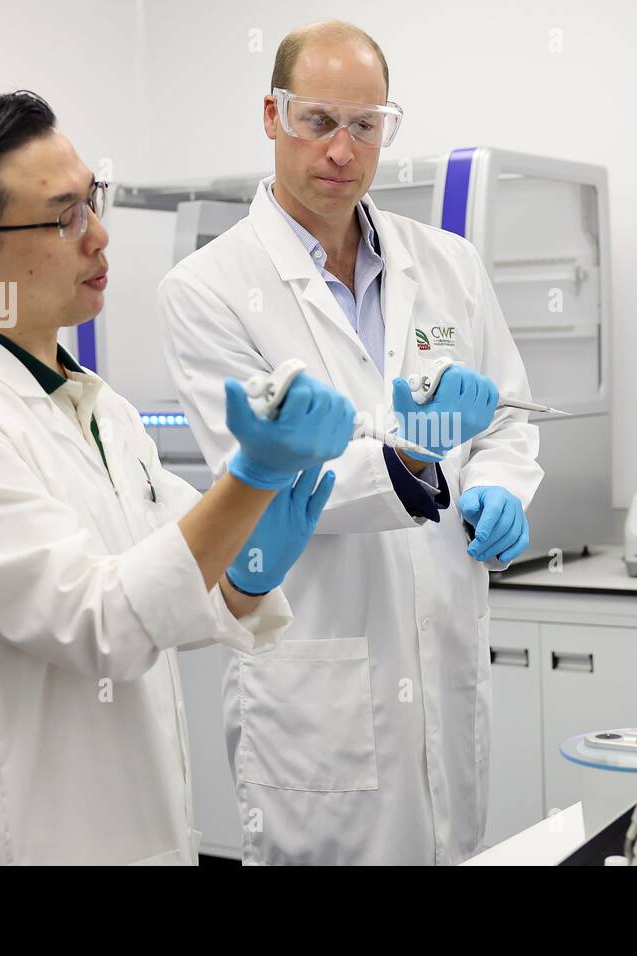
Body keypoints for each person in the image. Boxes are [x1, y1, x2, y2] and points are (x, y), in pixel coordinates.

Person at [0, 91, 355, 864]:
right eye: (62, 217)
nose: (98, 237)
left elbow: (170, 589)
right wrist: (251, 478)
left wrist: (248, 569)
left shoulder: (101, 410)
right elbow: (100, 624)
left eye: (91, 201)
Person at [157, 22, 544, 864]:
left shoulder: (447, 264)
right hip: (316, 670)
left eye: (365, 125)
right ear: (272, 114)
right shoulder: (209, 290)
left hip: (443, 651)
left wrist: (505, 487)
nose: (342, 149)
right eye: (318, 120)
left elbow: (510, 417)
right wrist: (413, 456)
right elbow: (263, 478)